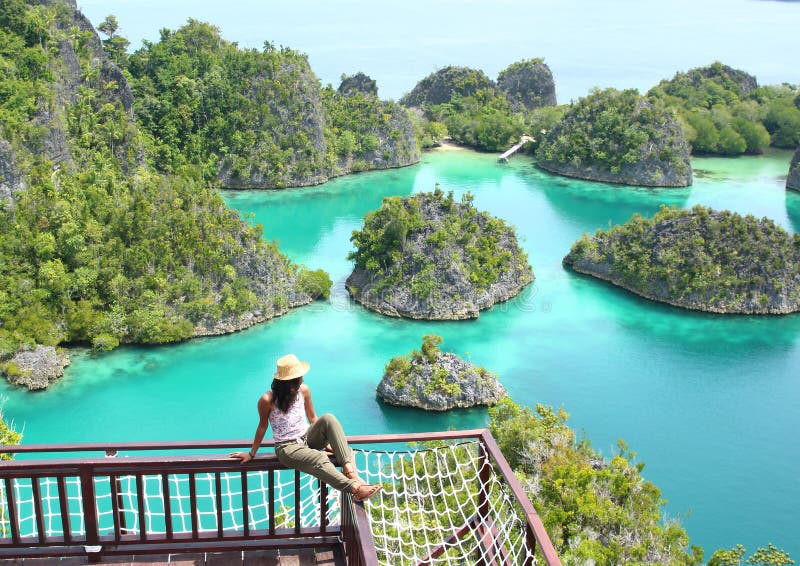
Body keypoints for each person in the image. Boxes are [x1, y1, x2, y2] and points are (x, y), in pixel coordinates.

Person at [231, 353, 382, 502]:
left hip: (307, 437)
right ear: (288, 382)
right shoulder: (267, 400)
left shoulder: (304, 390)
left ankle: (350, 470)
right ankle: (355, 488)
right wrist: (251, 454)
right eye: (298, 378)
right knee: (319, 457)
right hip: (287, 447)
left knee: (329, 418)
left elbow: (313, 419)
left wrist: (328, 441)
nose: (302, 379)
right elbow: (262, 427)